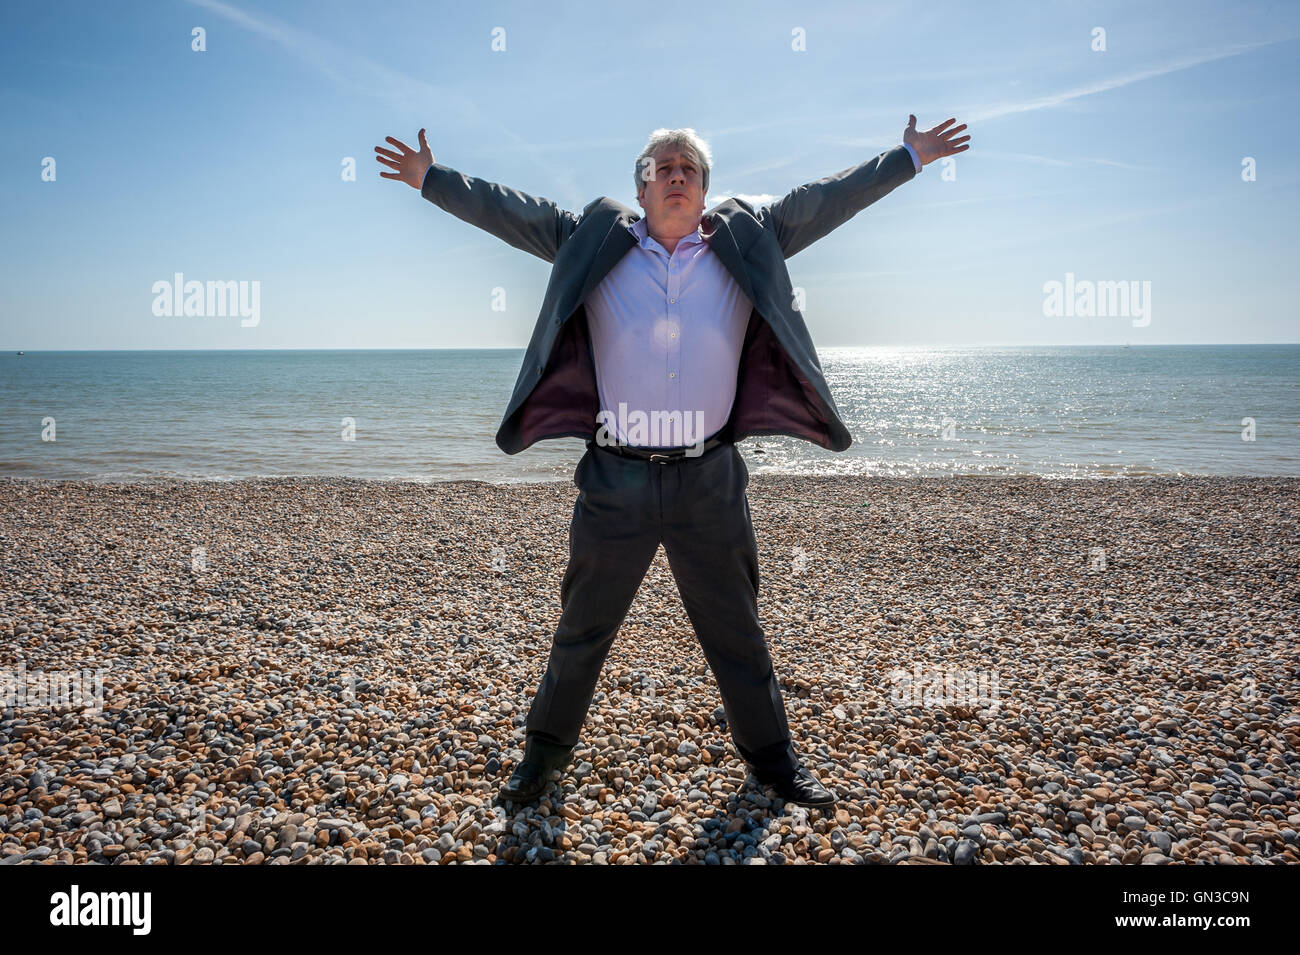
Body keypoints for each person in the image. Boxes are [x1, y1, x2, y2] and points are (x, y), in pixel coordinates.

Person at [375, 118, 970, 808]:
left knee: (736, 626)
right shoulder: (592, 236)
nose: (677, 176)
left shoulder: (746, 237)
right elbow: (512, 211)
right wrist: (432, 179)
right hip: (615, 479)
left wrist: (907, 158)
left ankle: (773, 763)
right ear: (642, 187)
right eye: (663, 167)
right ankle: (541, 762)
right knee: (582, 627)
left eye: (689, 168)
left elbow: (826, 198)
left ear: (706, 188)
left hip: (707, 476)